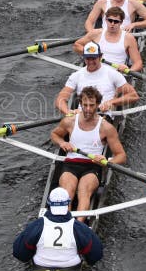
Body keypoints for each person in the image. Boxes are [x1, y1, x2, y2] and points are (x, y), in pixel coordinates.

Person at [50, 86, 127, 220]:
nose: (88, 109)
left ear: (98, 105)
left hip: (92, 166)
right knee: (68, 191)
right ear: (80, 104)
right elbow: (55, 135)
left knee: (84, 191)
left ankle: (78, 226)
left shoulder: (106, 128)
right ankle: (64, 223)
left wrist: (107, 161)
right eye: (84, 105)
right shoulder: (69, 121)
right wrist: (62, 143)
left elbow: (121, 156)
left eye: (92, 105)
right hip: (70, 164)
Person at [12, 186, 103, 267]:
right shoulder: (79, 228)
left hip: (41, 264)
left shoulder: (37, 225)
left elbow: (19, 253)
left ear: (49, 204)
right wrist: (88, 261)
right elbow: (97, 254)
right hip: (70, 265)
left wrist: (29, 254)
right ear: (68, 204)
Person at [54, 42, 139, 116]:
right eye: (88, 58)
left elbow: (133, 96)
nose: (90, 62)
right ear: (83, 57)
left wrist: (112, 102)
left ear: (100, 56)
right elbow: (60, 99)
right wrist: (68, 112)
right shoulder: (76, 76)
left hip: (103, 115)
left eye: (93, 58)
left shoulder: (112, 74)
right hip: (81, 116)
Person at [75, 6, 144, 73]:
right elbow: (77, 45)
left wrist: (129, 70)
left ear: (121, 22)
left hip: (115, 75)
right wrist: (91, 54)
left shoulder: (128, 38)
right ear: (106, 20)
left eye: (116, 21)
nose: (112, 24)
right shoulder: (96, 33)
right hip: (95, 71)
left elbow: (138, 63)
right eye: (110, 20)